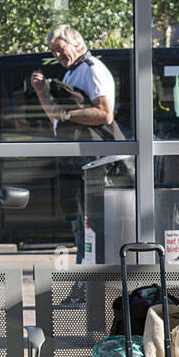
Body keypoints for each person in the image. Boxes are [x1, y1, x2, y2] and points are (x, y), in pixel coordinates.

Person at [29, 24, 118, 269]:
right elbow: (56, 118)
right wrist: (40, 92)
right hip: (73, 160)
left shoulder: (92, 69)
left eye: (60, 49)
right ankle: (83, 282)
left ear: (76, 43)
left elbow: (104, 113)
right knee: (79, 223)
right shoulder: (70, 73)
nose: (57, 56)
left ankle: (86, 283)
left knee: (89, 224)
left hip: (91, 160)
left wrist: (67, 114)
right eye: (53, 52)